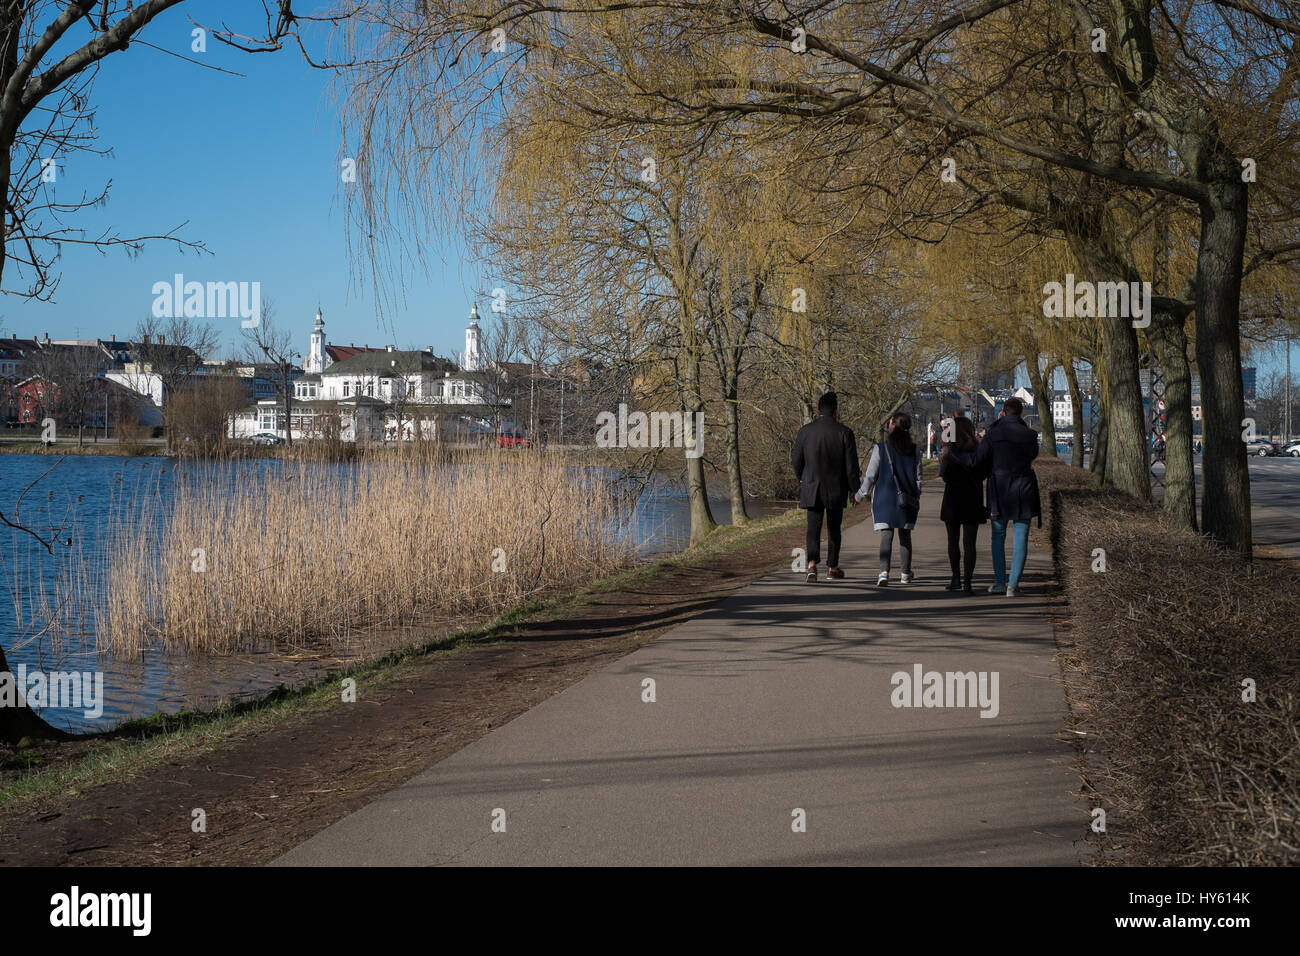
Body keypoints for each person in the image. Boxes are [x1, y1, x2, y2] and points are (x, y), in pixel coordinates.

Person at [792, 391, 861, 583]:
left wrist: (802, 479)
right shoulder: (844, 432)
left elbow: (796, 460)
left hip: (811, 486)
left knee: (812, 528)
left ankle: (811, 565)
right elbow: (851, 466)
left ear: (817, 410)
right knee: (834, 529)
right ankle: (832, 567)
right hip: (836, 488)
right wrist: (854, 489)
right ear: (836, 411)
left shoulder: (805, 432)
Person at [975, 396, 1041, 597]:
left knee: (998, 536)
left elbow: (979, 458)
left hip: (999, 489)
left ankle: (999, 582)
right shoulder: (1030, 435)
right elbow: (1032, 456)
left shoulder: (994, 433)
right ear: (1021, 412)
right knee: (1021, 538)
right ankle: (1013, 585)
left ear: (1003, 412)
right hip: (1024, 488)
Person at [855, 413, 922, 587]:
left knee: (887, 535)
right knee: (905, 536)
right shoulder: (914, 450)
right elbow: (918, 477)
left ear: (892, 426)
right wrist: (916, 495)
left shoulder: (881, 448)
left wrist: (860, 494)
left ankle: (883, 573)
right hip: (906, 498)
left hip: (884, 498)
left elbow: (870, 476)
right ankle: (905, 573)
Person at [938, 415, 987, 593]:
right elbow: (983, 473)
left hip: (953, 497)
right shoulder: (978, 450)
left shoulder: (949, 451)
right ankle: (968, 582)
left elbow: (943, 475)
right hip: (972, 497)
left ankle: (955, 577)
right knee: (970, 543)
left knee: (953, 541)